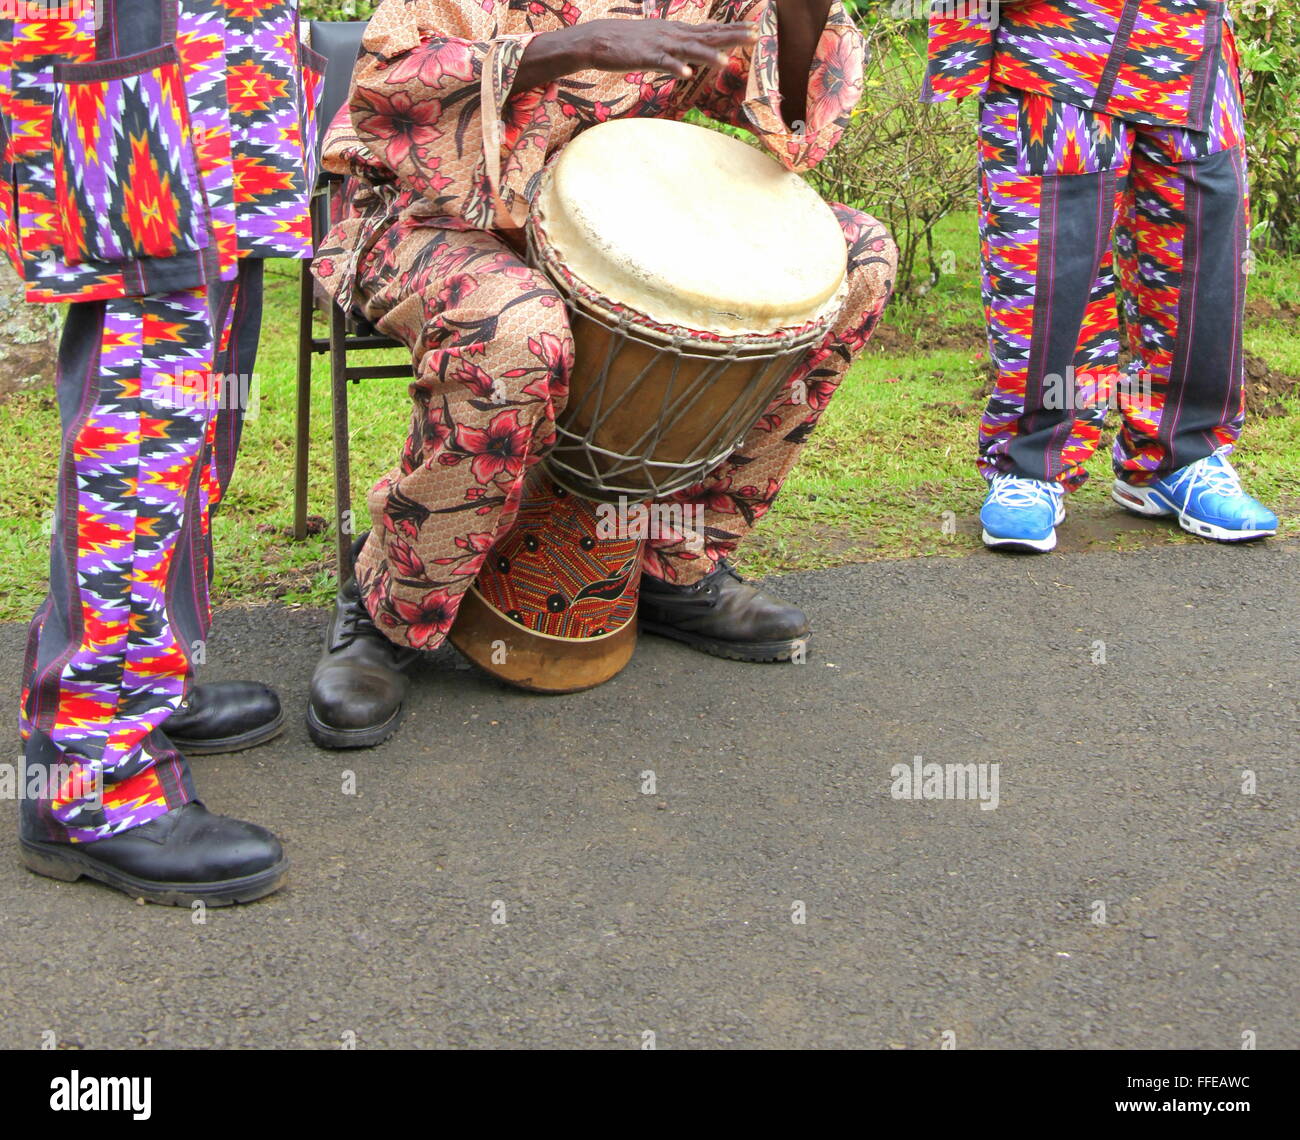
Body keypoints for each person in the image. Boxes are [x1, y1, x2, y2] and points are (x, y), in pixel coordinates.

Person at [306, 0, 899, 748]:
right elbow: (392, 86)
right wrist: (567, 47)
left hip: (611, 216)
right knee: (519, 327)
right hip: (430, 211)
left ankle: (676, 561)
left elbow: (779, 104)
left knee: (860, 261)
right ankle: (389, 609)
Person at [5, 0, 322, 904]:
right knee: (139, 447)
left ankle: (151, 670)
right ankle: (87, 781)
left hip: (226, 86)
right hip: (140, 87)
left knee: (193, 437)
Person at [925, 0, 1277, 552]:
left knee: (1203, 261)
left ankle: (1180, 454)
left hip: (1188, 48)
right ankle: (1032, 463)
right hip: (1055, 47)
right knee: (1049, 265)